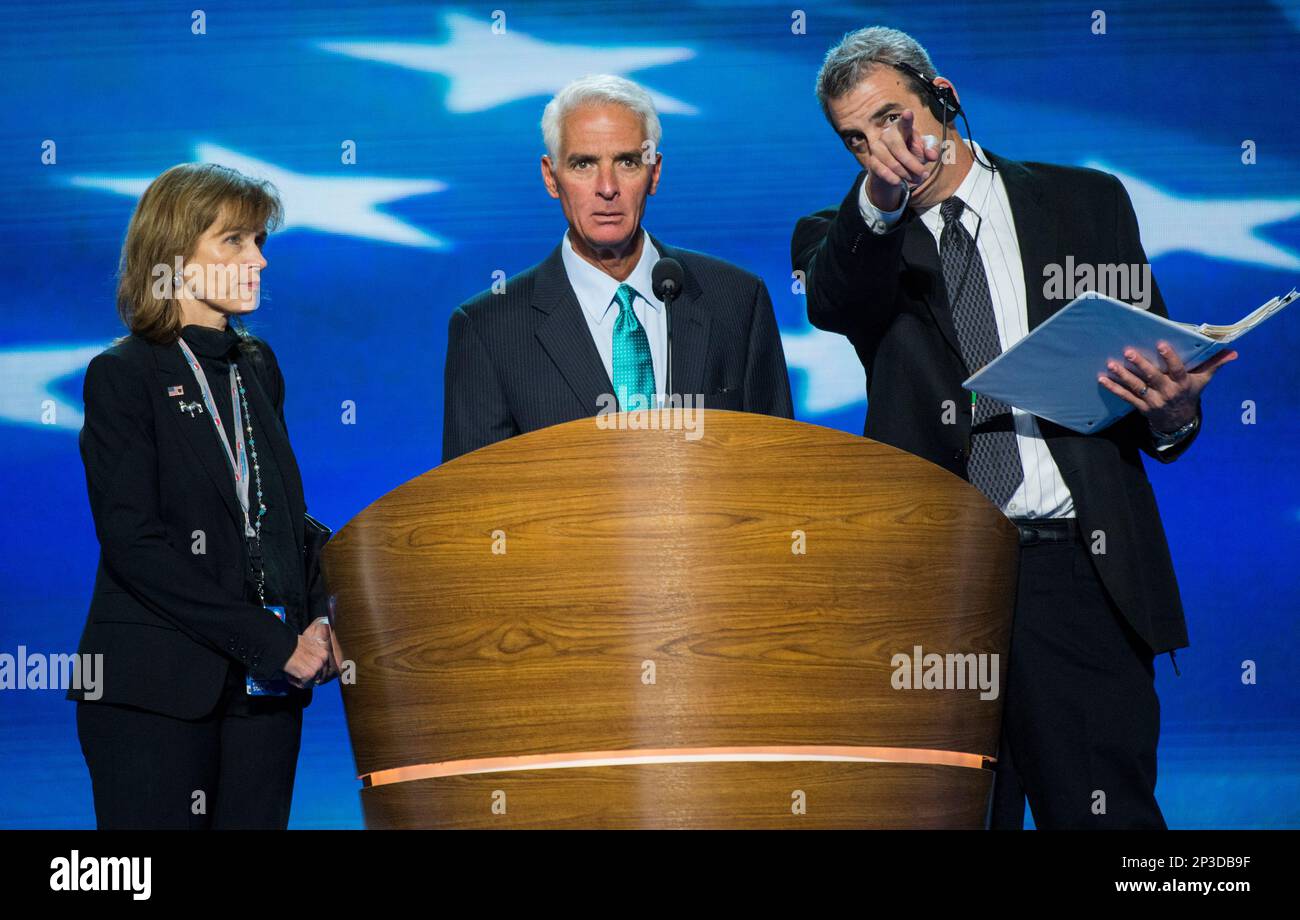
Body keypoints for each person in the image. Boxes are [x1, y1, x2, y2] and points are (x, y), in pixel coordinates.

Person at [791, 27, 1237, 829]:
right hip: (940, 593)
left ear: (944, 96)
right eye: (856, 139)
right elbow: (833, 298)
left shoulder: (1085, 203)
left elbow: (1149, 379)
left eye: (891, 119)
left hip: (1076, 573)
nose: (881, 148)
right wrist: (880, 202)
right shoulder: (848, 239)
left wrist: (1173, 414)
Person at [70, 163, 337, 829]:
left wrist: (325, 614)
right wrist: (271, 640)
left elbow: (274, 518)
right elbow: (135, 544)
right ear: (172, 255)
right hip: (156, 694)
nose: (259, 261)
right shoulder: (122, 375)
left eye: (260, 241)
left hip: (262, 696)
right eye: (235, 241)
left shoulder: (256, 366)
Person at [442, 74, 793, 462]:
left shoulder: (738, 299)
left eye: (627, 162)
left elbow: (779, 468)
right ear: (551, 177)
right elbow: (474, 493)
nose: (607, 187)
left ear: (654, 172)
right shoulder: (489, 329)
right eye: (583, 164)